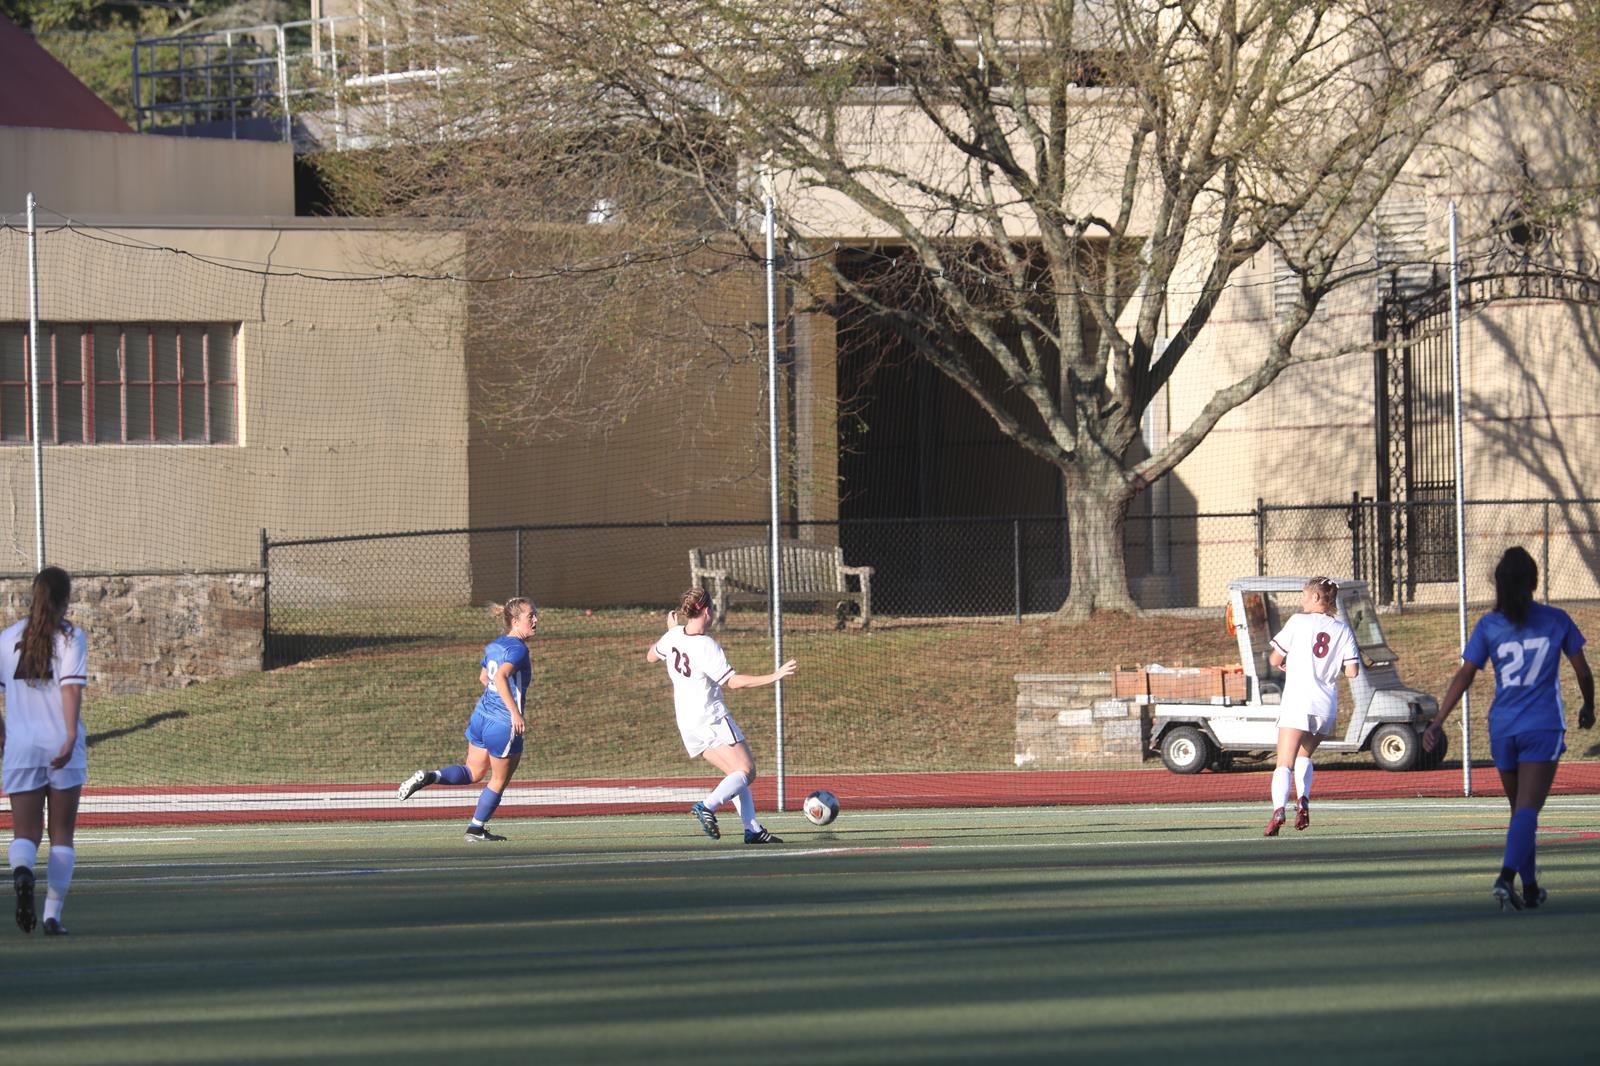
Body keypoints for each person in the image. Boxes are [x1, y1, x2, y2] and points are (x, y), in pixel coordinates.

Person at [1424, 547, 1594, 910]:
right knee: (1528, 811)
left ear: (1499, 584)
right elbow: (1582, 670)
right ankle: (1505, 877)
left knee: (1519, 812)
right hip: (1543, 726)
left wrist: (1438, 722)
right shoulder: (1557, 619)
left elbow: (1465, 675)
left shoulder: (1489, 625)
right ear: (1533, 582)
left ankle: (1530, 888)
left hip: (1502, 727)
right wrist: (1589, 706)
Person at [647, 587, 796, 844]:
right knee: (747, 772)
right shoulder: (706, 646)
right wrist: (774, 676)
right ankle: (707, 806)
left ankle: (752, 829)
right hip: (711, 719)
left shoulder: (673, 637)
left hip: (687, 723)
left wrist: (670, 632)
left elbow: (651, 656)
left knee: (735, 775)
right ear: (706, 611)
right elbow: (733, 682)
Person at [396, 598, 538, 842]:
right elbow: (501, 678)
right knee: (498, 780)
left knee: (473, 772)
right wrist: (515, 712)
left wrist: (497, 698)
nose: (536, 620)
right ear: (515, 621)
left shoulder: (495, 645)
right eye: (531, 616)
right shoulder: (518, 648)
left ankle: (430, 777)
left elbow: (485, 677)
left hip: (481, 716)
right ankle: (476, 828)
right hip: (502, 724)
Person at [0, 567, 88, 936]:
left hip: (21, 746)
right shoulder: (71, 637)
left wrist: (2, 728)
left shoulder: (6, 638)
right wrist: (69, 736)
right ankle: (52, 916)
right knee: (62, 833)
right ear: (65, 600)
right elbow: (70, 690)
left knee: (25, 832)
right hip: (60, 745)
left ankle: (22, 874)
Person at [1263, 577, 1359, 837]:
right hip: (1324, 706)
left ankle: (1279, 810)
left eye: (1304, 595)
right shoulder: (1343, 629)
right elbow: (1351, 671)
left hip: (1298, 702)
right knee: (1304, 756)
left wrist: (1288, 661)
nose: (1301, 600)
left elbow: (1274, 659)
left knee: (1284, 763)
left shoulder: (1297, 621)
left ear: (1317, 598)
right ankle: (1303, 800)